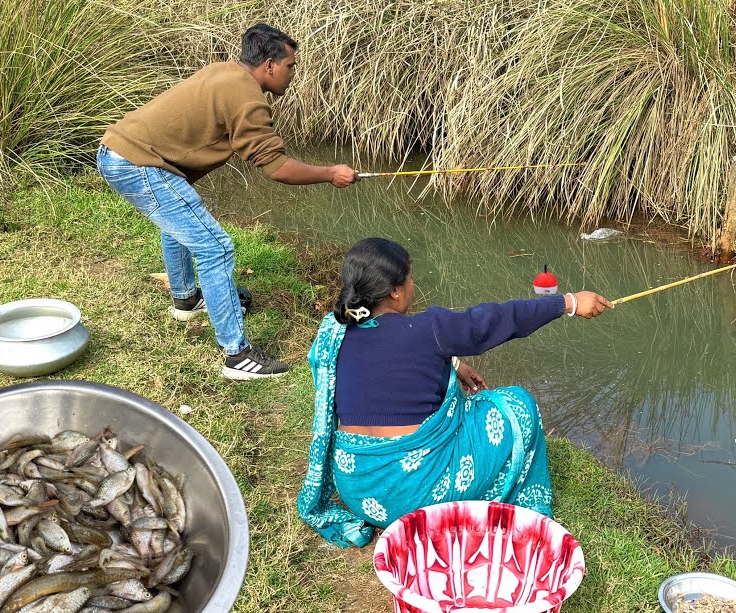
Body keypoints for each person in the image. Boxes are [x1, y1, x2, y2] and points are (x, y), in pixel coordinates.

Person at [298, 237, 613, 547]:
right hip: (415, 499)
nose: (413, 285)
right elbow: (502, 318)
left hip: (358, 490)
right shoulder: (429, 329)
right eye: (410, 278)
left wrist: (454, 363)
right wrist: (568, 303)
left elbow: (386, 362)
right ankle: (520, 502)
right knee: (518, 405)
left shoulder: (336, 331)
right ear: (395, 291)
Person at [97, 24, 359, 380]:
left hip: (120, 152)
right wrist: (330, 173)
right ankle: (237, 356)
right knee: (216, 247)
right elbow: (278, 167)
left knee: (182, 221)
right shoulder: (248, 98)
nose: (292, 73)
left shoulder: (225, 72)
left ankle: (187, 300)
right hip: (135, 163)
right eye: (290, 66)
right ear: (269, 65)